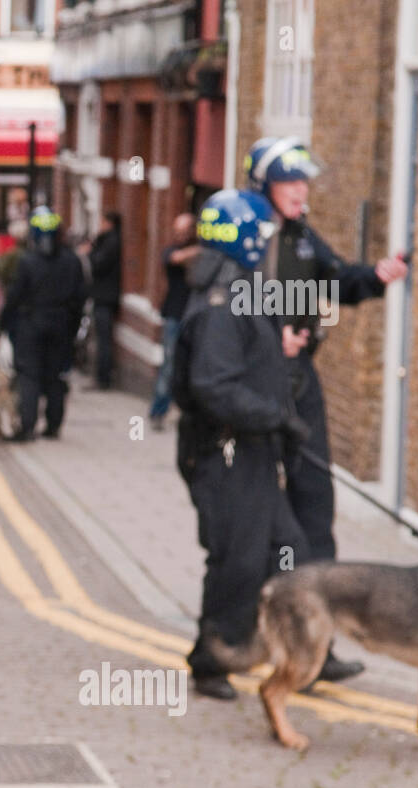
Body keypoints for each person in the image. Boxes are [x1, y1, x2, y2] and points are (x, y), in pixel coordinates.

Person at [245, 136, 409, 682]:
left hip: (301, 385)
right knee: (261, 513)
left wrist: (376, 277)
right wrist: (274, 340)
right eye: (291, 182)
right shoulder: (250, 242)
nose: (301, 191)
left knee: (316, 505)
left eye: (304, 181)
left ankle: (319, 641)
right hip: (258, 389)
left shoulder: (302, 237)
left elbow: (335, 280)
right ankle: (255, 629)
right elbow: (229, 310)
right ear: (264, 186)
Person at [172, 189, 313, 701]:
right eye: (264, 231)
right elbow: (213, 385)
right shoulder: (220, 301)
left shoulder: (238, 289)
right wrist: (273, 415)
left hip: (253, 449)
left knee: (289, 550)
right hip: (226, 451)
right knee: (238, 557)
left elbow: (246, 361)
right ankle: (213, 658)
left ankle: (263, 643)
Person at [0, 208, 87, 442]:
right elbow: (80, 298)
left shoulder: (28, 261)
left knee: (29, 375)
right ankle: (53, 426)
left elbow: (15, 296)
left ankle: (27, 427)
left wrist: (1, 324)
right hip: (61, 325)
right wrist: (74, 329)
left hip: (30, 325)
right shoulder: (72, 261)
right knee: (55, 376)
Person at [148, 213, 200, 429]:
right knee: (169, 365)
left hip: (194, 317)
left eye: (183, 231)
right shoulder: (171, 251)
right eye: (176, 231)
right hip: (175, 316)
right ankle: (158, 410)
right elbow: (176, 258)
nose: (179, 235)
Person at [80, 212, 122, 389]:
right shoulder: (106, 240)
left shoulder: (110, 242)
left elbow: (98, 264)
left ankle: (103, 378)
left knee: (103, 339)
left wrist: (88, 253)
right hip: (104, 296)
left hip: (105, 297)